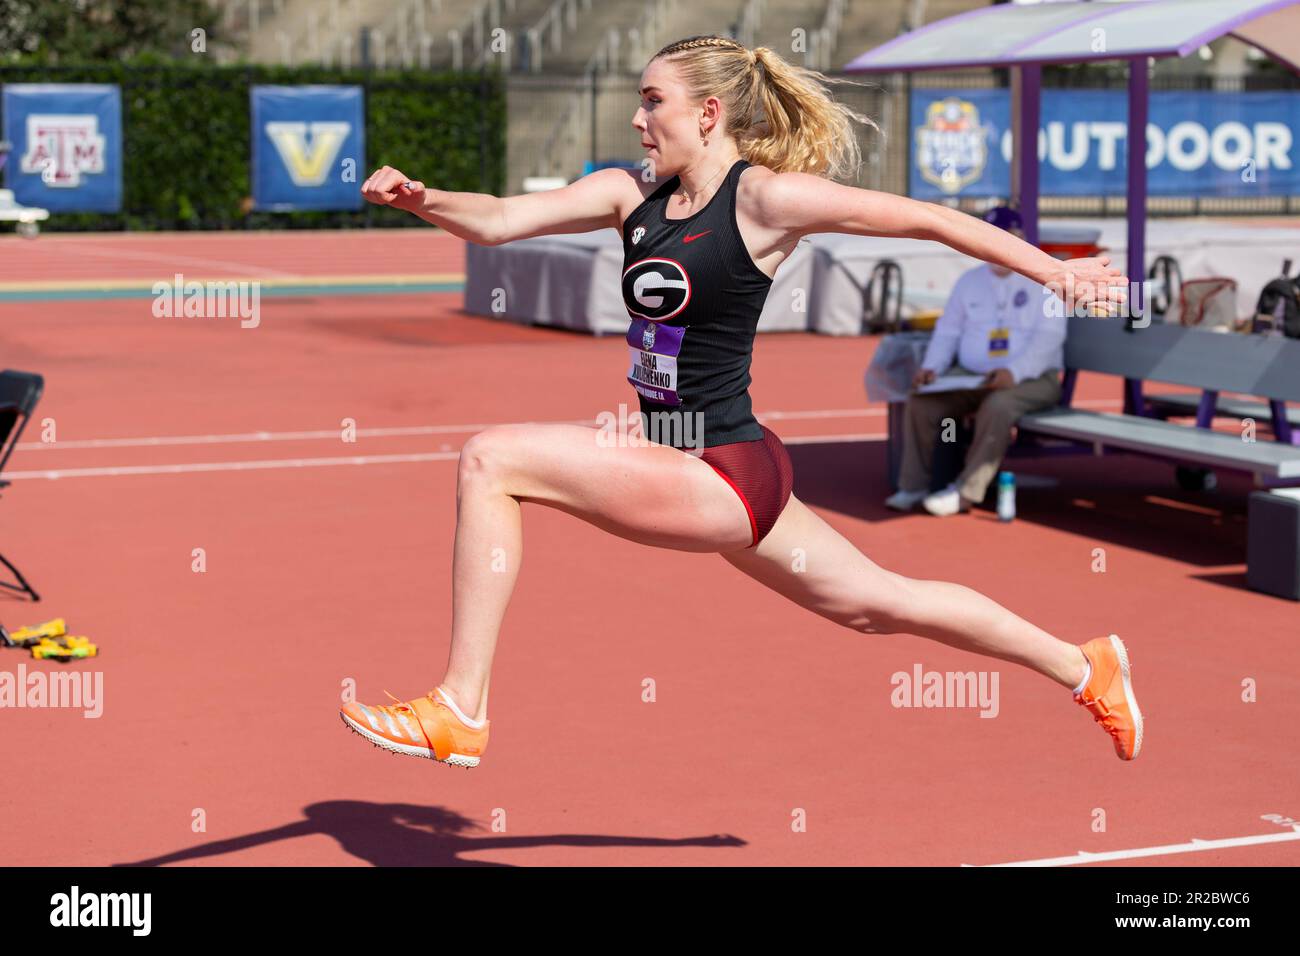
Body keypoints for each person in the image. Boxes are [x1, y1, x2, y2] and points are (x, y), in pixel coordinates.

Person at [341, 35, 1142, 769]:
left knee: (492, 459)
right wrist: (424, 198)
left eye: (654, 100)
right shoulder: (630, 195)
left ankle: (460, 707)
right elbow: (500, 219)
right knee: (879, 604)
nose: (639, 116)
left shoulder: (765, 200)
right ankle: (1084, 665)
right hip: (695, 462)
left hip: (722, 469)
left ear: (709, 113)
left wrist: (1056, 272)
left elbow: (926, 220)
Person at [885, 206, 1066, 516]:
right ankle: (913, 484)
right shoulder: (969, 281)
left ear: (1020, 239)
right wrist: (932, 367)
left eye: (1005, 239)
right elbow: (947, 332)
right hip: (971, 376)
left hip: (1033, 379)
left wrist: (1014, 372)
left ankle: (967, 491)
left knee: (997, 408)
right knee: (922, 402)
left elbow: (1049, 339)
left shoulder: (1045, 281)